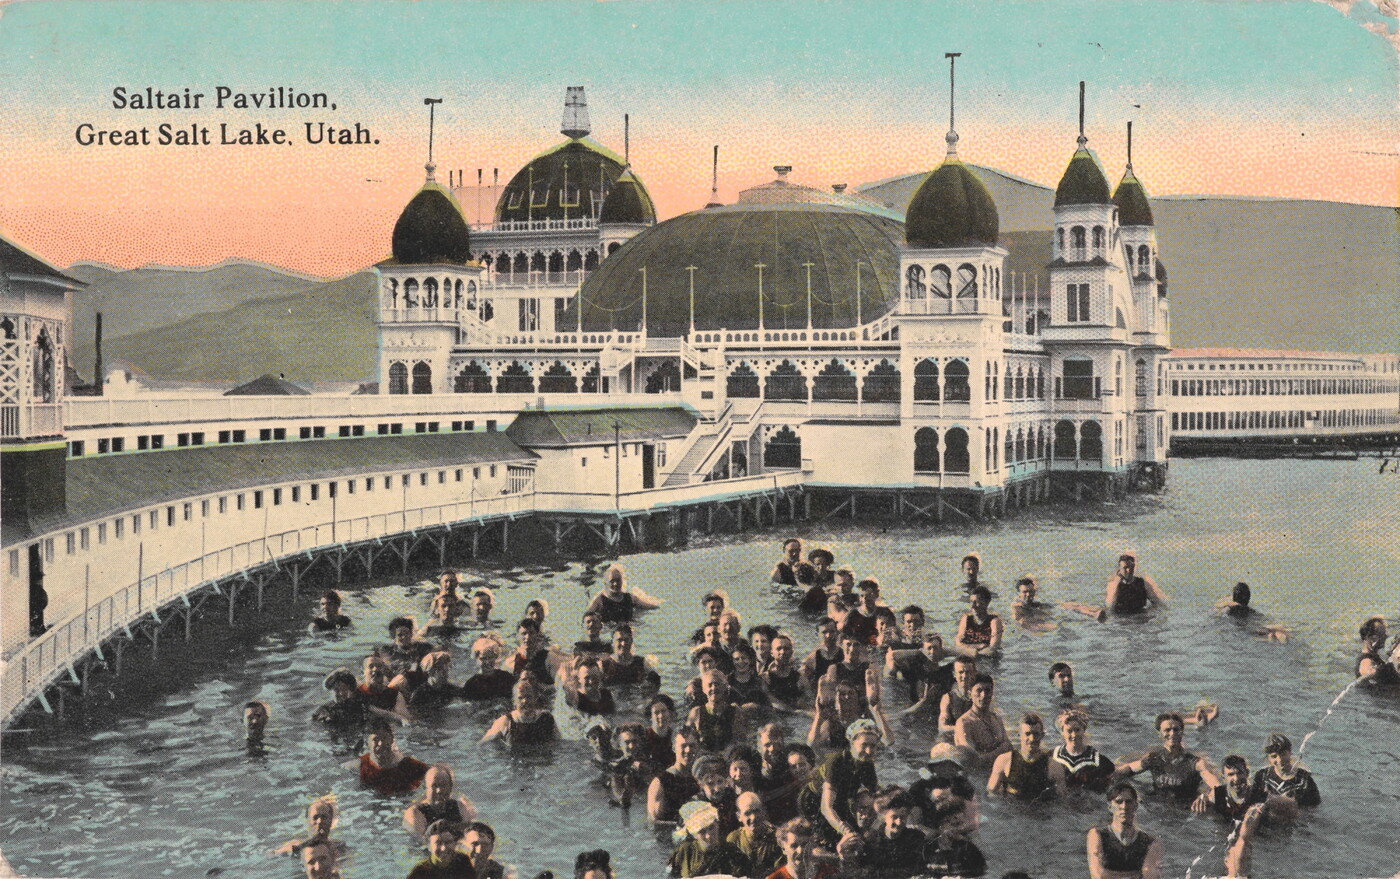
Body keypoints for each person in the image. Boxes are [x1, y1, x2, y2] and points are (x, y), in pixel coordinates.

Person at [1114, 712, 1218, 804]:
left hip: (1185, 814)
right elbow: (1129, 769)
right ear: (1160, 733)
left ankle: (1202, 724)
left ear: (1182, 732)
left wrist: (1206, 798)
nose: (1172, 734)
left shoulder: (1196, 763)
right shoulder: (1153, 758)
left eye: (1176, 729)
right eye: (1167, 730)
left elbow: (1218, 787)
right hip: (1157, 810)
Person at [818, 719, 882, 844]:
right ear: (852, 742)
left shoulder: (866, 763)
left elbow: (877, 794)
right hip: (819, 807)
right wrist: (845, 830)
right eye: (864, 745)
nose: (869, 751)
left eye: (873, 746)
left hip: (841, 804)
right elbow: (826, 808)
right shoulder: (836, 762)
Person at [1086, 783, 1162, 879]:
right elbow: (1097, 874)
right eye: (1119, 802)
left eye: (1129, 802)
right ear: (1110, 807)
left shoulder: (1150, 842)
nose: (1124, 807)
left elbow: (1150, 876)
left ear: (1136, 806)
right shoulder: (1097, 835)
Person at [988, 713, 1065, 800]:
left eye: (1036, 734)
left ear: (1042, 736)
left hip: (1040, 811)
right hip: (1011, 811)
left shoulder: (1054, 767)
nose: (1032, 739)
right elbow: (991, 795)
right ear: (1019, 735)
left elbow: (1061, 802)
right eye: (1027, 734)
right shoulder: (1004, 761)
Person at [668, 801, 753, 878]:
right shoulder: (684, 852)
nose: (708, 836)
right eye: (702, 831)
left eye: (712, 827)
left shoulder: (733, 854)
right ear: (694, 834)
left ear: (718, 825)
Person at [356, 717, 429, 796]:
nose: (380, 743)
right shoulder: (360, 766)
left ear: (391, 739)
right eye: (376, 740)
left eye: (384, 738)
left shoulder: (409, 766)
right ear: (367, 744)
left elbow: (434, 773)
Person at [861, 792, 927, 878]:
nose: (899, 822)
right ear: (884, 817)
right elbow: (868, 872)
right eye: (894, 817)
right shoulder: (871, 841)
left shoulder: (916, 838)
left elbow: (918, 868)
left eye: (903, 817)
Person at [1051, 708, 1115, 792]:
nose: (1074, 735)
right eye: (1069, 731)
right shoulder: (1053, 756)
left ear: (1083, 730)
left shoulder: (1098, 760)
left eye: (1077, 730)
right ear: (1062, 732)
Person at [404, 764, 477, 838]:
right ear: (426, 788)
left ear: (450, 788)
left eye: (444, 785)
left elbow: (471, 835)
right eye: (434, 785)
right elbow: (419, 843)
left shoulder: (460, 807)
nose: (439, 790)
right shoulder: (415, 813)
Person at [481, 680, 558, 749]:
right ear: (514, 702)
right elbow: (482, 745)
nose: (525, 701)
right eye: (520, 698)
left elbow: (560, 743)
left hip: (543, 763)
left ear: (535, 699)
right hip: (515, 763)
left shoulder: (547, 719)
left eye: (529, 697)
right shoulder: (505, 721)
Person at [1248, 733, 1320, 806]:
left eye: (1283, 754)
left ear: (1290, 753)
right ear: (1268, 758)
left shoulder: (1304, 780)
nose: (1279, 760)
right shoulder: (1262, 776)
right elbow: (1251, 803)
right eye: (1274, 756)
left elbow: (1313, 808)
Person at [953, 674, 1011, 764]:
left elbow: (1009, 748)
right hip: (979, 774)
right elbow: (973, 759)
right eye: (979, 690)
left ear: (992, 693)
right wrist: (1001, 750)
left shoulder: (996, 718)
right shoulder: (964, 723)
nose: (983, 695)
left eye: (987, 690)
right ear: (969, 694)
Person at [648, 726, 702, 823]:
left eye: (692, 745)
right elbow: (654, 823)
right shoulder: (660, 783)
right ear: (674, 748)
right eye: (683, 746)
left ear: (698, 747)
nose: (688, 750)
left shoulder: (703, 779)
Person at [892, 632, 956, 711]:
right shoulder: (915, 670)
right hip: (915, 712)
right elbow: (893, 656)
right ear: (923, 650)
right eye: (929, 648)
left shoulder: (947, 671)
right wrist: (920, 651)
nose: (932, 652)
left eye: (935, 648)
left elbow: (972, 654)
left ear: (941, 650)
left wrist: (946, 652)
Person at [922, 799, 986, 878]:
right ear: (941, 824)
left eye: (961, 824)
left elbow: (981, 874)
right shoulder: (928, 848)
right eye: (955, 824)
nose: (960, 828)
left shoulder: (969, 849)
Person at [586, 562, 661, 623]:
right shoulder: (600, 601)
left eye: (618, 580)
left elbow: (647, 607)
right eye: (612, 581)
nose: (616, 584)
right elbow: (587, 617)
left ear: (622, 581)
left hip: (627, 629)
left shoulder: (630, 598)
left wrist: (660, 607)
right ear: (606, 583)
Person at [730, 791, 783, 878]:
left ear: (763, 811)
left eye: (756, 811)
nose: (753, 817)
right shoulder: (734, 839)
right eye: (747, 813)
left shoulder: (777, 837)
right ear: (739, 816)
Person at [275, 797, 347, 859]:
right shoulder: (295, 847)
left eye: (324, 817)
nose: (319, 821)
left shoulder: (340, 847)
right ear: (307, 819)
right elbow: (271, 854)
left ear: (331, 821)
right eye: (315, 817)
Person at [689, 670, 744, 752]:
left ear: (725, 687)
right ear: (704, 689)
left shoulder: (735, 711)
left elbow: (740, 741)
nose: (714, 688)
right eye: (710, 685)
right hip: (704, 757)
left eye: (717, 684)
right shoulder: (696, 712)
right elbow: (687, 739)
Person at [766, 818, 838, 879]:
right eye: (794, 846)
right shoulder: (775, 877)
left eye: (805, 844)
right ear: (783, 849)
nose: (800, 851)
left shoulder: (828, 872)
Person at [1192, 754, 1258, 820]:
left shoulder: (1256, 795)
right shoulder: (1218, 795)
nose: (1236, 778)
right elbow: (1206, 799)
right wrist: (1203, 799)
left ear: (1247, 773)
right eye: (1231, 774)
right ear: (1224, 777)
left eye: (1240, 773)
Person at [605, 722, 656, 808]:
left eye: (635, 742)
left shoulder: (652, 762)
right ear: (619, 744)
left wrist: (645, 771)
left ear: (640, 742)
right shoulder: (616, 767)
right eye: (627, 742)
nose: (631, 746)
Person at [407, 820, 476, 879]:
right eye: (438, 843)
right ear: (429, 847)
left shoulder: (462, 861)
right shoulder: (420, 871)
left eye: (448, 842)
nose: (444, 848)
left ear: (455, 843)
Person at [461, 635, 516, 702]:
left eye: (491, 657)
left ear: (496, 657)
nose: (487, 662)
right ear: (476, 658)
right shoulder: (472, 684)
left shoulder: (507, 678)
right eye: (483, 658)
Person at [358, 654, 411, 720]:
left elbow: (406, 719)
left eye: (379, 666)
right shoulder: (358, 692)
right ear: (362, 672)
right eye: (371, 666)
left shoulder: (394, 694)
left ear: (384, 670)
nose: (375, 669)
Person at [955, 586, 1003, 654]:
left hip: (987, 658)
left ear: (986, 603)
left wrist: (973, 652)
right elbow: (958, 643)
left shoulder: (994, 621)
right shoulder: (966, 619)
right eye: (971, 602)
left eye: (976, 602)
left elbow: (993, 647)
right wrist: (978, 646)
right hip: (969, 654)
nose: (972, 606)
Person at [800, 618, 844, 693]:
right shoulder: (812, 658)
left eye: (832, 631)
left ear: (837, 633)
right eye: (824, 632)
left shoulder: (844, 654)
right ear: (817, 634)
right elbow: (803, 681)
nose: (828, 636)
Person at [938, 657, 977, 733]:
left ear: (974, 673)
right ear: (954, 674)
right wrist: (963, 728)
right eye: (960, 672)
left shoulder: (979, 697)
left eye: (968, 672)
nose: (965, 676)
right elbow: (942, 727)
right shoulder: (948, 698)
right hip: (953, 738)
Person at [765, 634, 805, 708]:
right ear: (772, 653)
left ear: (791, 652)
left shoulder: (800, 677)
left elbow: (809, 698)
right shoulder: (766, 678)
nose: (782, 652)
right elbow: (768, 700)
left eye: (786, 649)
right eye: (779, 648)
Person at [644, 694, 678, 769]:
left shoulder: (676, 736)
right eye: (656, 712)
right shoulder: (643, 737)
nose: (661, 716)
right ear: (650, 717)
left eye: (663, 711)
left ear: (670, 713)